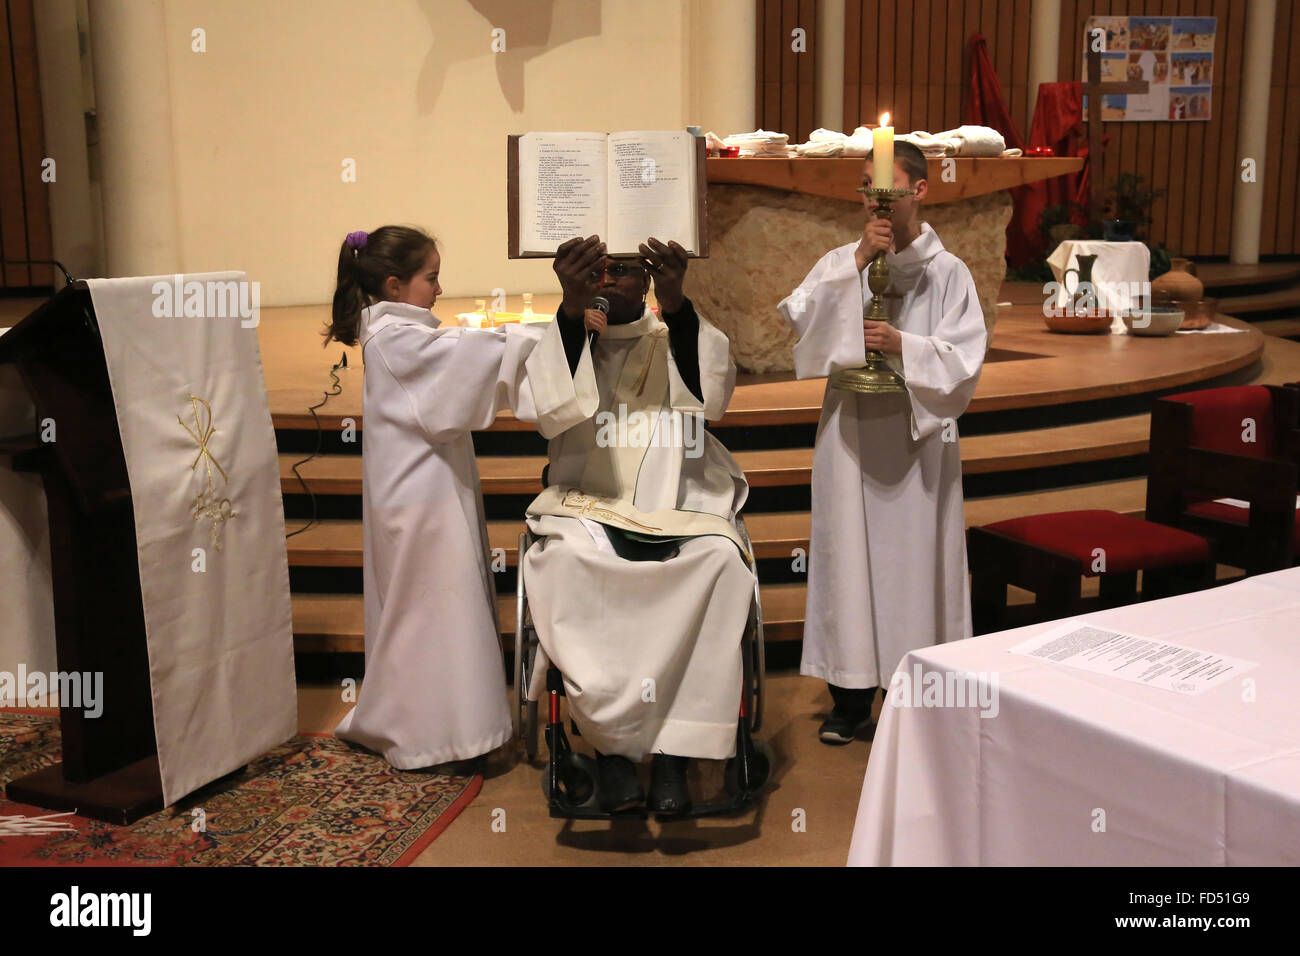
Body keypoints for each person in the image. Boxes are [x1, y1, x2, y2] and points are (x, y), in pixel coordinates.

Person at [323, 225, 573, 770]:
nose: (439, 288)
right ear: (394, 284)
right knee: (434, 607)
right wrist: (561, 325)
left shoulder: (395, 332)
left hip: (421, 488)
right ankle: (436, 738)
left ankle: (448, 729)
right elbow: (475, 355)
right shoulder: (395, 339)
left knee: (430, 605)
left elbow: (465, 354)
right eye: (430, 278)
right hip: (420, 501)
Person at [520, 235, 754, 814]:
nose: (607, 280)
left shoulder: (677, 333)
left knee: (717, 562)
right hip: (586, 500)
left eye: (622, 269)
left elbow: (712, 401)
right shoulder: (566, 336)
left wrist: (676, 303)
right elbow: (543, 410)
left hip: (681, 496)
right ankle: (612, 754)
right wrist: (572, 312)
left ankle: (675, 754)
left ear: (649, 278)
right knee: (570, 563)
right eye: (595, 270)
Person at [777, 141, 986, 745]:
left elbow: (965, 360)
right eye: (867, 186)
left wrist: (902, 345)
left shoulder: (949, 274)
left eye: (886, 185)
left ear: (919, 190)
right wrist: (856, 264)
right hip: (851, 434)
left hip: (915, 437)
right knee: (848, 559)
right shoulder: (847, 258)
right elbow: (800, 321)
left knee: (911, 563)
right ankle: (848, 696)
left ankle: (916, 692)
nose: (874, 197)